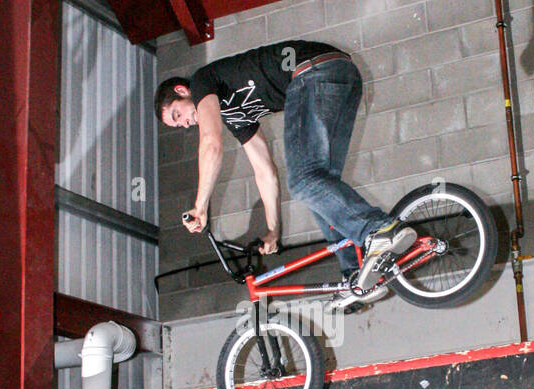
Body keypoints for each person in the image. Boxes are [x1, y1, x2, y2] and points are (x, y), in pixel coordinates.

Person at [154, 40, 416, 305]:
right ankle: (357, 274)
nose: (185, 123)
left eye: (178, 115)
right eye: (178, 125)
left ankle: (379, 229)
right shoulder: (234, 115)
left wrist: (200, 206)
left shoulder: (202, 81)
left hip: (312, 73)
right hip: (342, 76)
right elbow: (264, 171)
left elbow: (211, 143)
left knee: (303, 182)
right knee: (318, 189)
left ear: (182, 90)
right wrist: (273, 230)